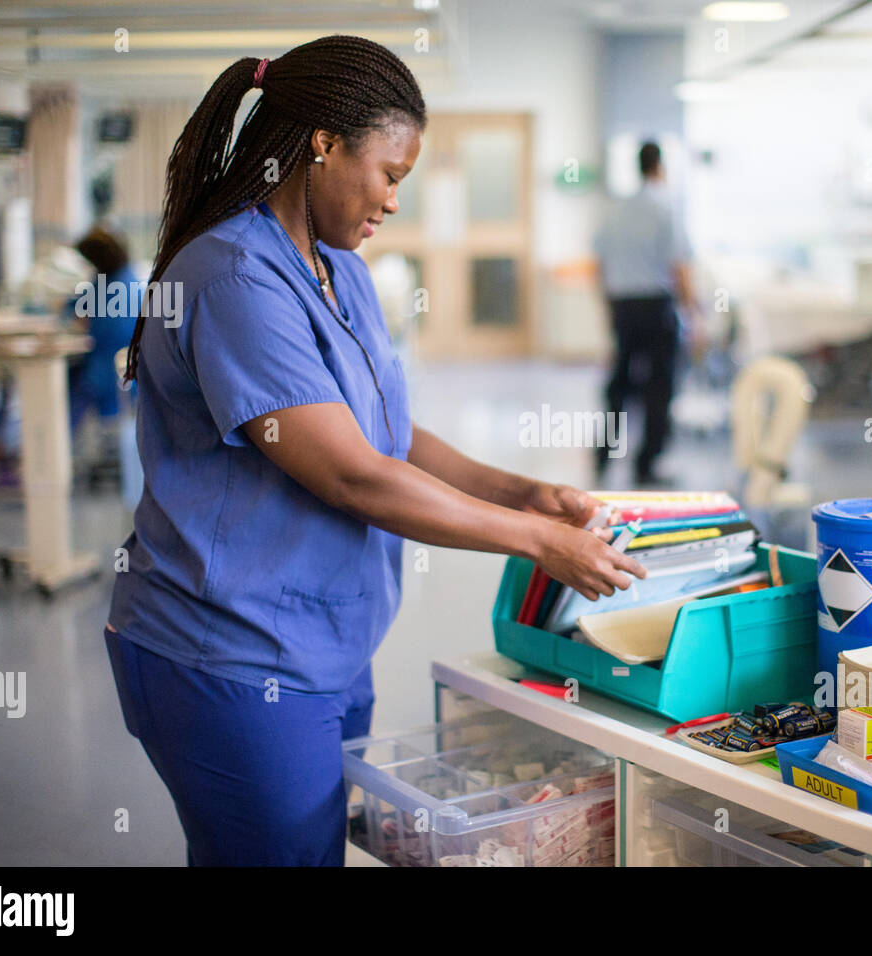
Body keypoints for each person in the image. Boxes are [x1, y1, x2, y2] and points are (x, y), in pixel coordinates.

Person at [104, 36, 646, 867]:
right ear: (322, 144)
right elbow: (352, 474)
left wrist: (523, 494)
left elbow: (386, 436)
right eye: (390, 174)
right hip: (228, 653)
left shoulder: (339, 269)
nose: (394, 201)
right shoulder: (234, 277)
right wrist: (541, 543)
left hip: (319, 647)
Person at [592, 141, 700, 485]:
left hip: (622, 306)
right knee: (658, 385)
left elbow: (600, 265)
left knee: (620, 383)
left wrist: (608, 309)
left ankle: (604, 454)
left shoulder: (614, 210)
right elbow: (679, 266)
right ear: (660, 167)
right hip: (656, 306)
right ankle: (647, 461)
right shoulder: (665, 207)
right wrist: (693, 314)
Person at [67, 227, 142, 427]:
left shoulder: (115, 289)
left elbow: (98, 334)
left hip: (108, 370)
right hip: (120, 366)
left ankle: (60, 443)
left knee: (67, 386)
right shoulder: (122, 277)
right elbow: (80, 303)